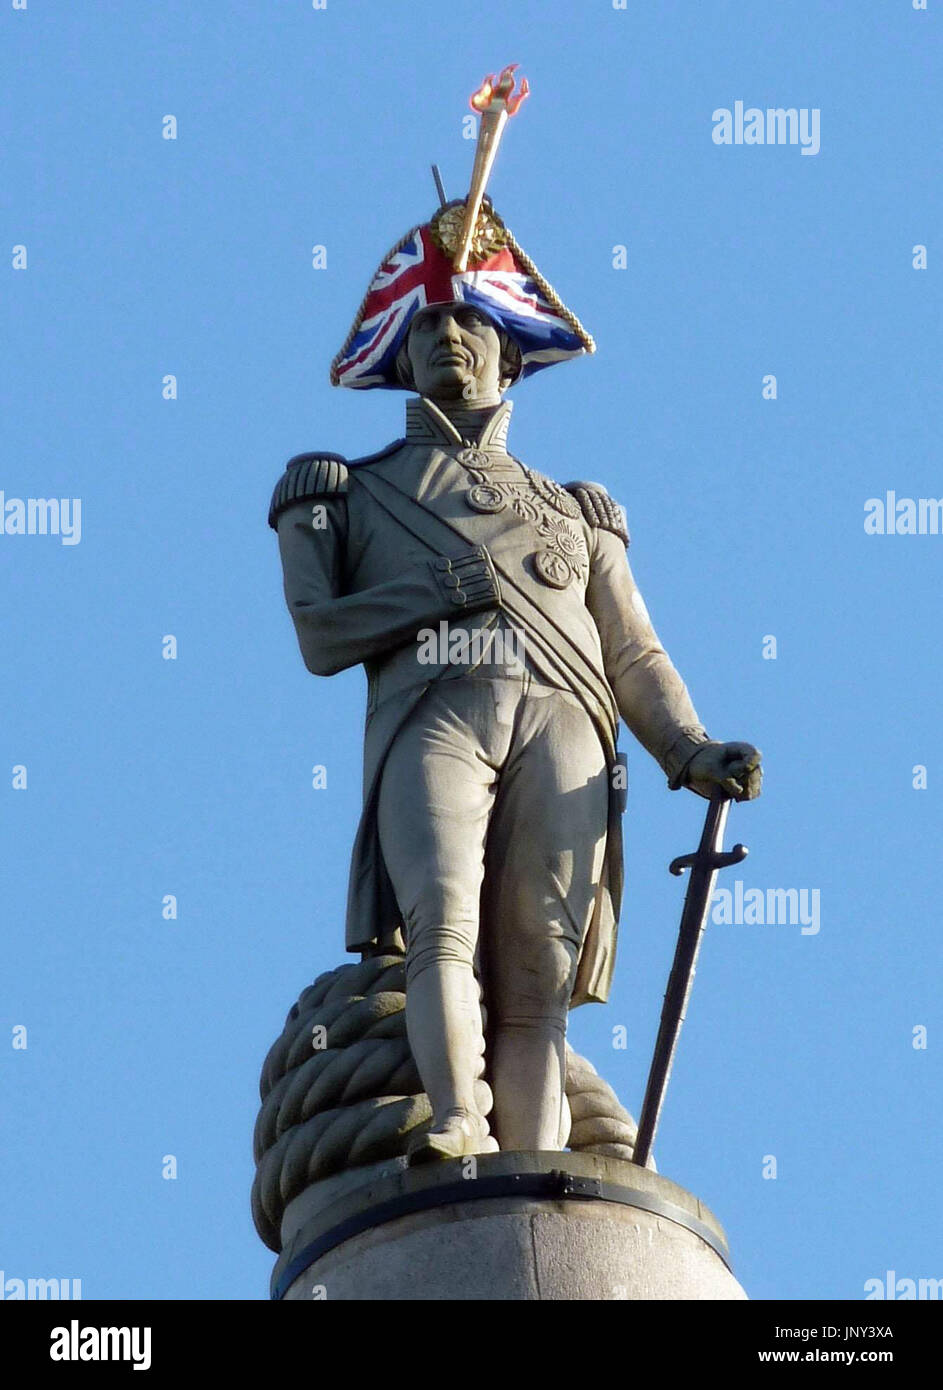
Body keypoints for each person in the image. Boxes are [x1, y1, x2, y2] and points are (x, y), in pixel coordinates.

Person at [269, 200, 761, 1163]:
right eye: (429, 326)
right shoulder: (339, 489)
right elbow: (321, 638)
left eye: (471, 322)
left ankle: (530, 1169)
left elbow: (633, 654)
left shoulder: (578, 512)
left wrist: (689, 749)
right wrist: (432, 591)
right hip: (436, 713)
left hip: (569, 722)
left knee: (537, 974)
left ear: (511, 352)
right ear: (399, 356)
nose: (450, 337)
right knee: (441, 924)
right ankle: (457, 1120)